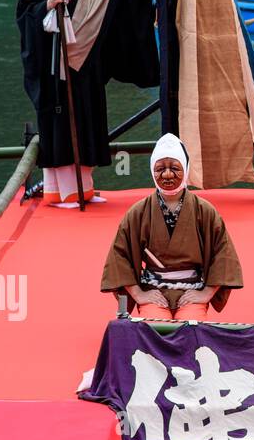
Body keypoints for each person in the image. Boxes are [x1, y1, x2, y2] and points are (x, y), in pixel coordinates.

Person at [16, 0, 159, 207]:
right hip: (55, 72)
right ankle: (64, 192)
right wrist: (46, 5)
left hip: (86, 70)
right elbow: (25, 16)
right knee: (60, 127)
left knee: (87, 124)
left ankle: (85, 188)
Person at [101, 134, 243, 321]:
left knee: (191, 330)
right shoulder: (138, 212)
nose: (167, 174)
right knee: (156, 330)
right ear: (152, 170)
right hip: (154, 290)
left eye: (174, 168)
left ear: (185, 168)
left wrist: (206, 293)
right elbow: (120, 256)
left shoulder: (205, 211)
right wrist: (138, 294)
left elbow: (223, 255)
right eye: (160, 169)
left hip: (192, 290)